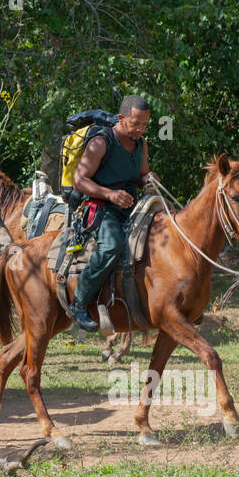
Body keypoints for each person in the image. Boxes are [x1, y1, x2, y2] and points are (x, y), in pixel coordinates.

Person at [68, 95, 158, 332]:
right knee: (112, 245)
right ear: (121, 118)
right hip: (101, 209)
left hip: (131, 208)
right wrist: (110, 195)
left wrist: (148, 179)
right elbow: (79, 180)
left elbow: (141, 175)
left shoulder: (141, 144)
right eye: (135, 123)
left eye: (144, 124)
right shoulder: (101, 142)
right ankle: (78, 302)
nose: (140, 129)